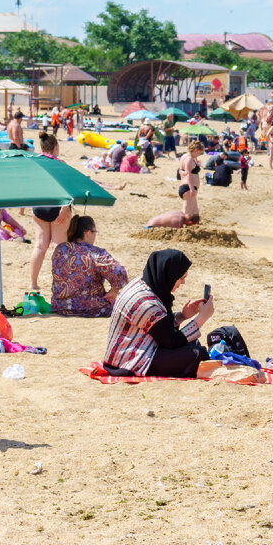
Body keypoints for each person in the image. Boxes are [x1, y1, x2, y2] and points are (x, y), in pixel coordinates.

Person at [104, 249, 214, 378]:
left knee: (192, 344)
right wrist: (202, 317)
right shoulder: (145, 302)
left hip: (134, 350)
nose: (182, 283)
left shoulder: (144, 283)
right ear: (169, 276)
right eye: (181, 278)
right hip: (129, 361)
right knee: (196, 354)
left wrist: (182, 316)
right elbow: (171, 341)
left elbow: (160, 327)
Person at [50, 215, 128, 316]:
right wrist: (114, 291)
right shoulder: (95, 253)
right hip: (91, 308)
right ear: (88, 233)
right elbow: (119, 272)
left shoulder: (60, 249)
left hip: (60, 307)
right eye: (95, 232)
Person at [29, 133, 72, 291]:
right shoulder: (60, 163)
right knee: (58, 247)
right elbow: (68, 187)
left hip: (39, 206)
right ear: (56, 147)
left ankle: (33, 283)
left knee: (40, 246)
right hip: (57, 207)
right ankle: (60, 284)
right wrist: (65, 208)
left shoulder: (35, 163)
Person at [178, 143, 202, 221]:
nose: (199, 155)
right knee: (187, 212)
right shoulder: (189, 159)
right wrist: (192, 189)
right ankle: (182, 227)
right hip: (188, 188)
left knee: (195, 211)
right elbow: (188, 175)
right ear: (195, 150)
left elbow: (181, 171)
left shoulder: (185, 157)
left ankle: (195, 227)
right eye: (199, 153)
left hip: (186, 186)